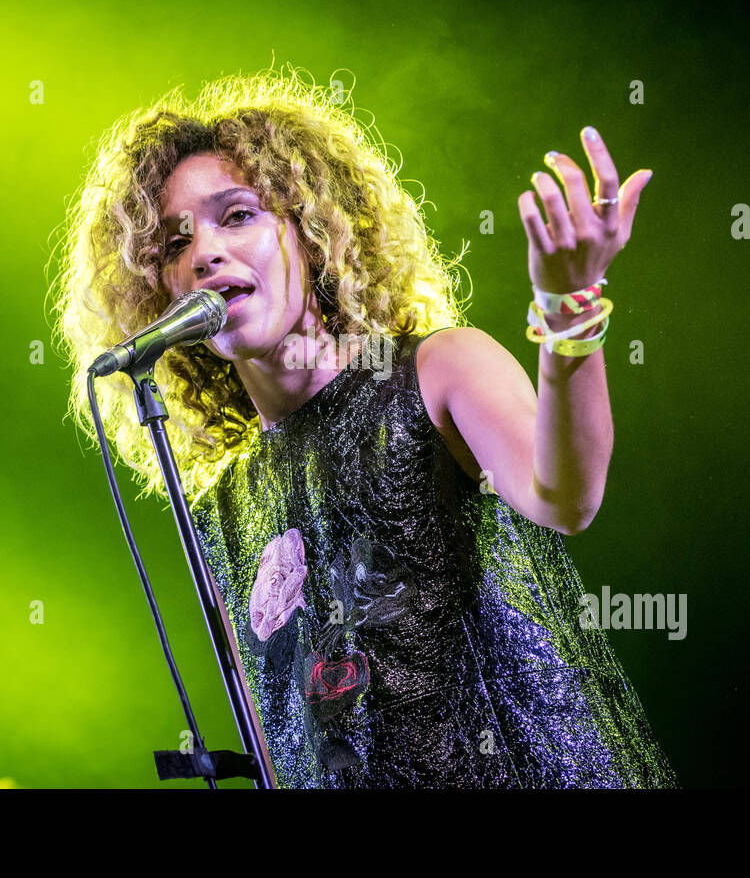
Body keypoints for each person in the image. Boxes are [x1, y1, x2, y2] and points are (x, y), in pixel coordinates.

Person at [51, 65, 677, 788]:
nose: (204, 253)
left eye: (239, 214)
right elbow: (281, 751)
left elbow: (565, 496)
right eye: (170, 244)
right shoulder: (221, 507)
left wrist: (568, 307)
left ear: (313, 233)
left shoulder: (439, 369)